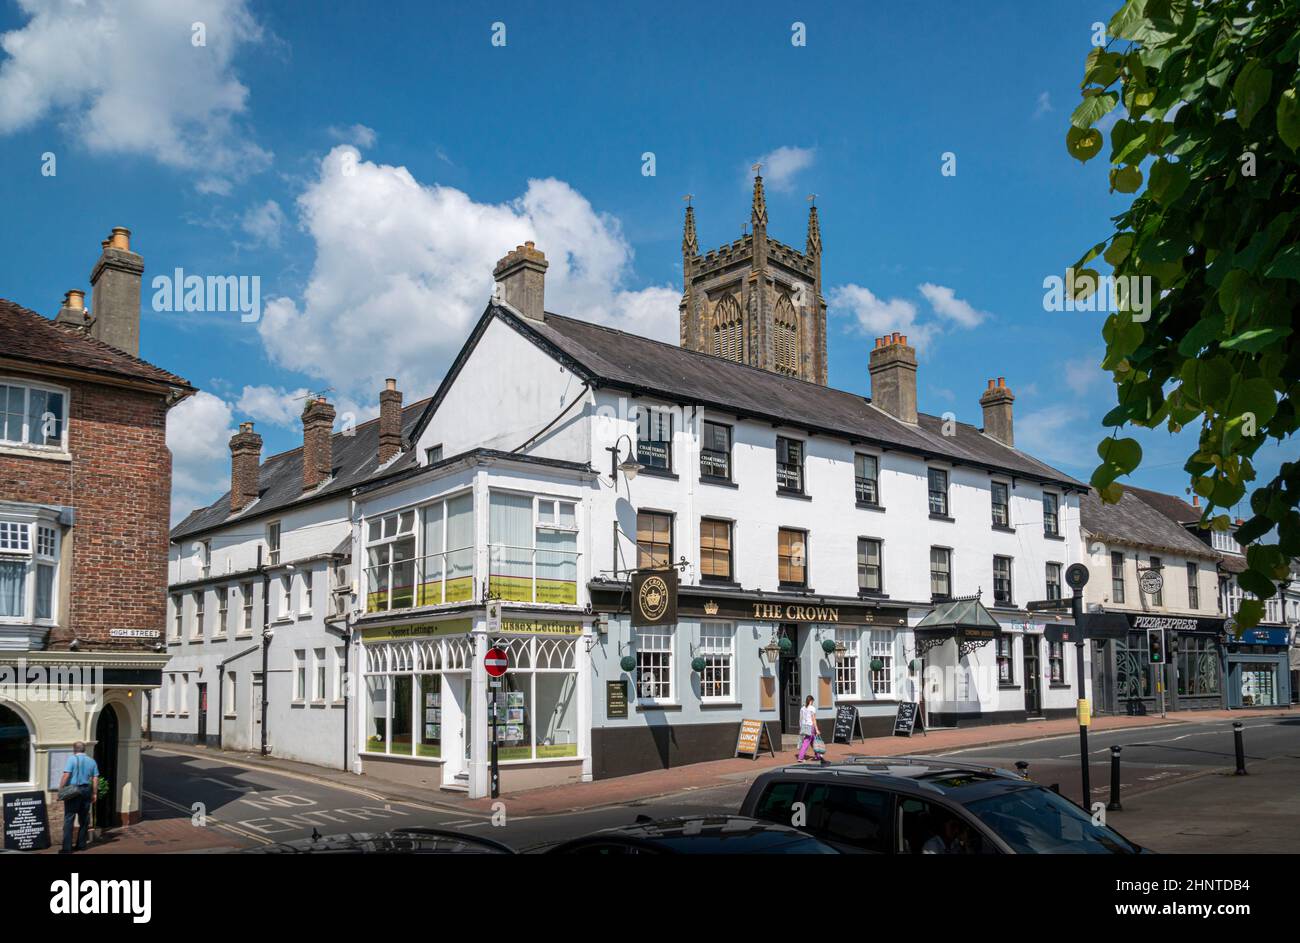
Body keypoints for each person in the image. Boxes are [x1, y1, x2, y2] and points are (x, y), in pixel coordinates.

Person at [58, 741, 99, 854]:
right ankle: (81, 845)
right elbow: (95, 778)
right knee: (84, 819)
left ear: (74, 749)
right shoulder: (92, 761)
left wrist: (61, 789)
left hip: (73, 791)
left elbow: (66, 775)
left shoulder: (72, 759)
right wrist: (94, 793)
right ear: (84, 749)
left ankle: (67, 848)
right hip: (86, 790)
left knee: (69, 818)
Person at [796, 695, 822, 763]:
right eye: (812, 701)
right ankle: (800, 757)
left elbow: (800, 719)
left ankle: (818, 755)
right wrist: (817, 729)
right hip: (810, 726)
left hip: (804, 726)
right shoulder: (812, 708)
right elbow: (814, 720)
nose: (813, 703)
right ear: (811, 701)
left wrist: (801, 727)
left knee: (813, 741)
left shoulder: (802, 708)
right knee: (806, 741)